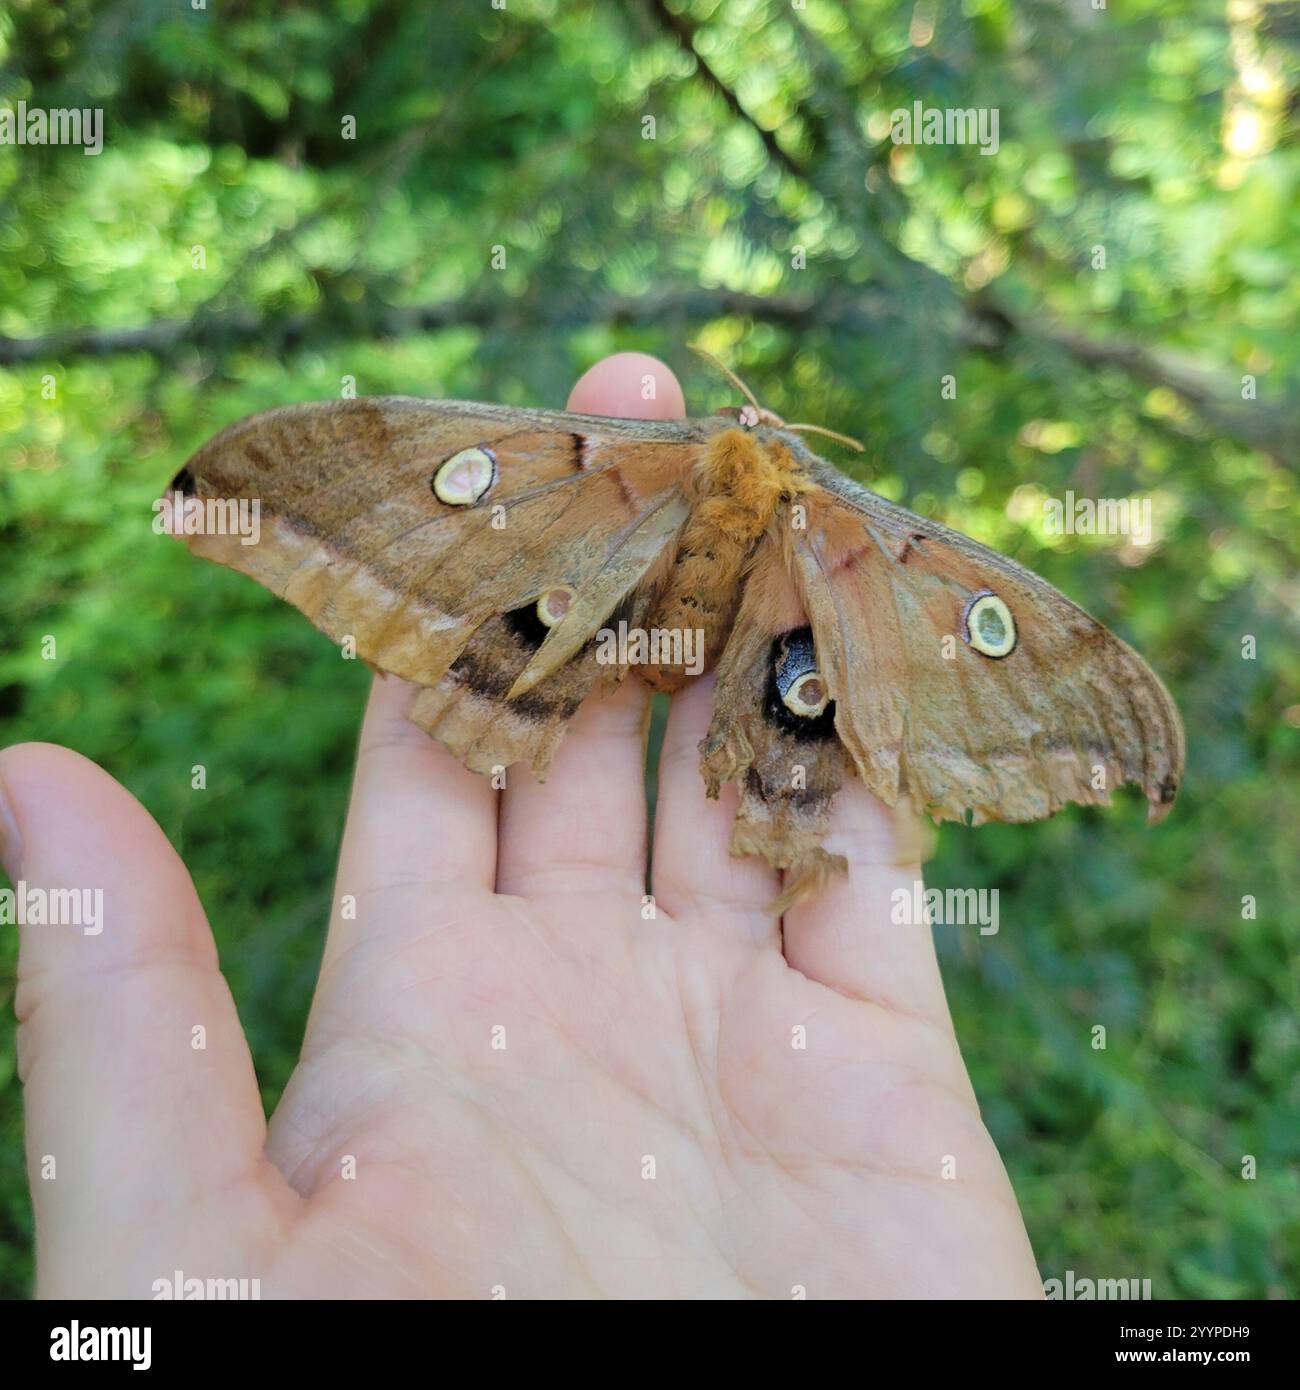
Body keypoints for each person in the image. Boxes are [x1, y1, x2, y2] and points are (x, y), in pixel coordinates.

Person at [0, 352, 1041, 1299]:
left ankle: (730, 716)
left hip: (684, 632)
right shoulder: (811, 519)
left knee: (821, 752)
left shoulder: (648, 475)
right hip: (611, 616)